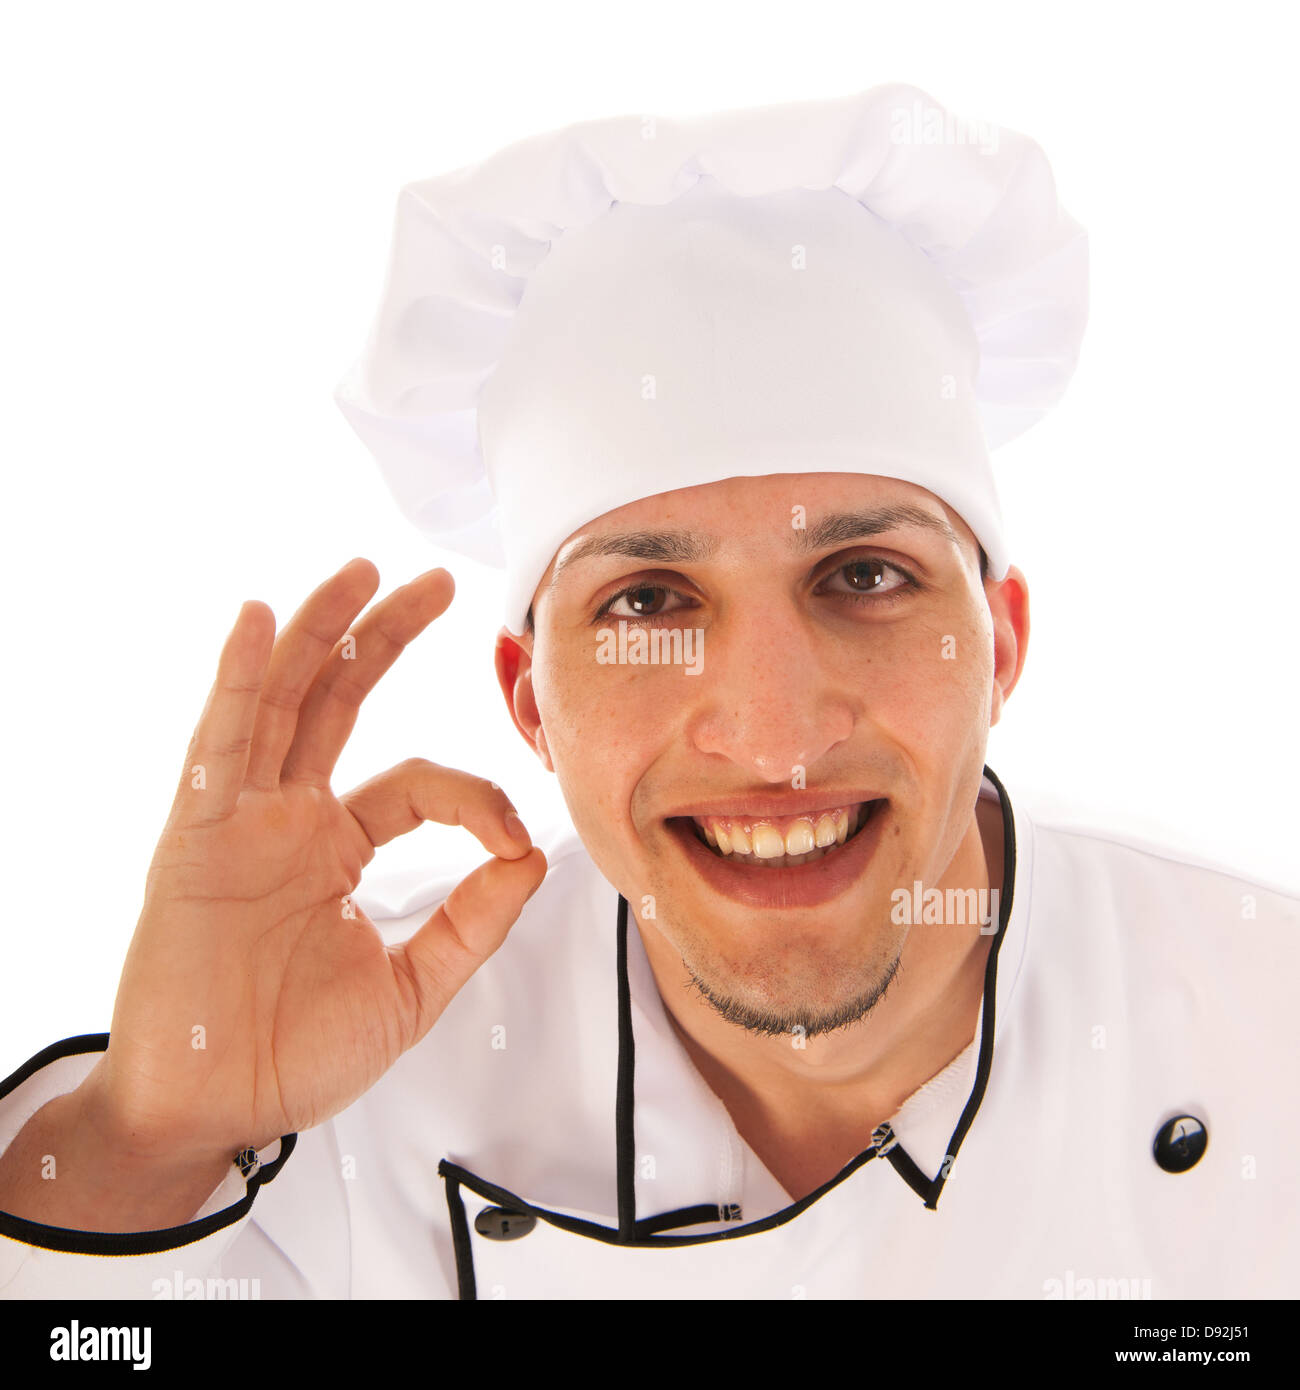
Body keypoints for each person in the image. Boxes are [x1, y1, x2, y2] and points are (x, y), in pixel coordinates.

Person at [0, 84, 1295, 1301]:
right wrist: (150, 1130)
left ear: (1001, 643)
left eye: (862, 573)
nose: (777, 736)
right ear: (531, 704)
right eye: (647, 604)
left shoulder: (1267, 1018)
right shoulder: (336, 1068)